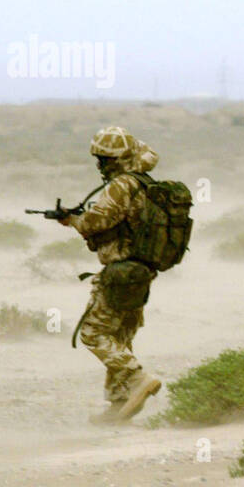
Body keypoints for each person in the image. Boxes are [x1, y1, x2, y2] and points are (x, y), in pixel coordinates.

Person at [61, 126, 164, 423]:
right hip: (141, 272)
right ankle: (120, 405)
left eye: (106, 160)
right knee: (119, 337)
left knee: (93, 333)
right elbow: (146, 150)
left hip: (120, 272)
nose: (101, 166)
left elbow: (97, 221)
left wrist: (73, 220)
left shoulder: (123, 185)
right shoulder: (142, 175)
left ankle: (138, 379)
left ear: (117, 160)